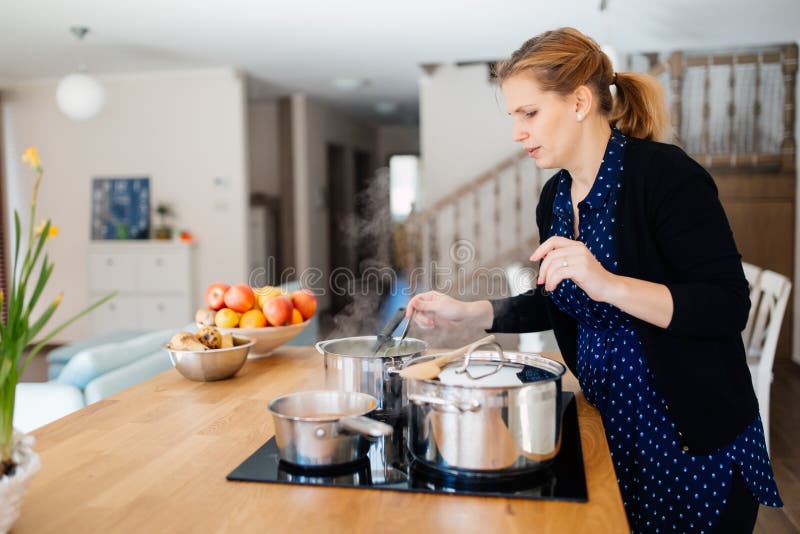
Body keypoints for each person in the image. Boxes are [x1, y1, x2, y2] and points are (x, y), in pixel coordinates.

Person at [407, 27, 782, 533]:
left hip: (688, 439)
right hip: (608, 425)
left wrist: (608, 283)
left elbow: (727, 305)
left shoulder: (666, 177)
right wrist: (471, 312)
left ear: (580, 101)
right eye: (513, 117)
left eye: (529, 113)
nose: (517, 132)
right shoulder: (555, 198)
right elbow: (559, 301)